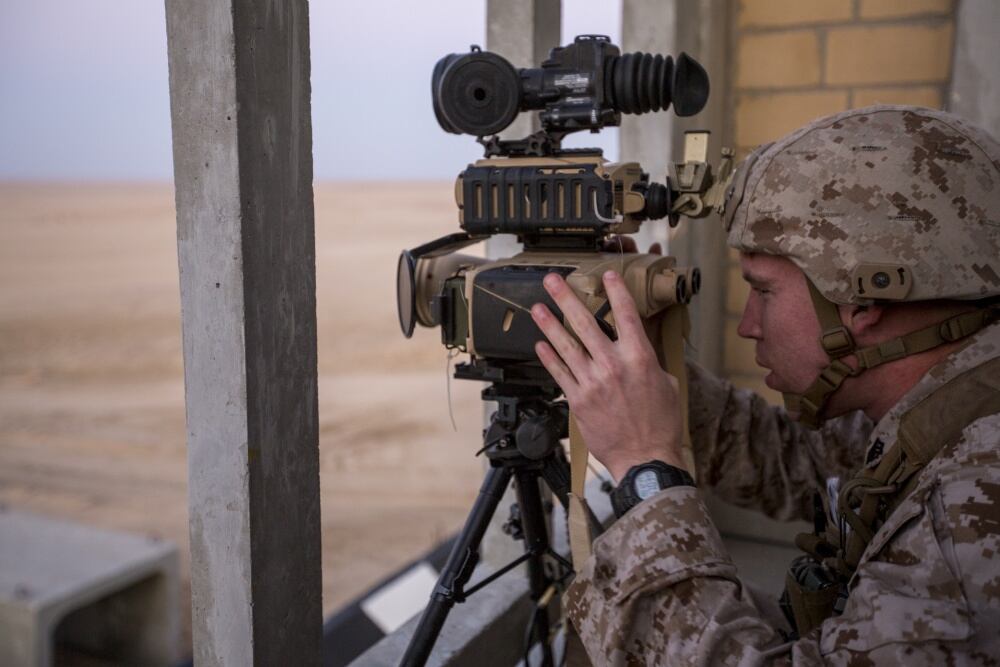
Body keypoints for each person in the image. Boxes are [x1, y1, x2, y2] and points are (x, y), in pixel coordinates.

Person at [529, 105, 1000, 663]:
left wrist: (645, 470)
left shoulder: (971, 503)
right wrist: (649, 373)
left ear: (863, 299)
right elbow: (796, 464)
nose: (749, 325)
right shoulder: (950, 400)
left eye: (765, 291)